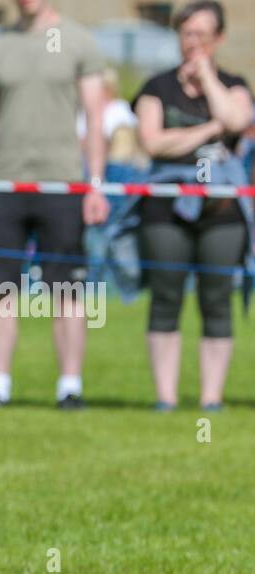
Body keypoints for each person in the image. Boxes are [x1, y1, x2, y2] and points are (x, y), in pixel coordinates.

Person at [0, 0, 110, 410]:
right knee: (0, 290)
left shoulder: (80, 42)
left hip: (64, 185)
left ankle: (70, 387)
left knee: (68, 289)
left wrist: (95, 185)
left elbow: (96, 120)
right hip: (6, 184)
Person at [131, 1, 252, 412]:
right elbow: (152, 143)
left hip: (222, 213)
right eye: (186, 33)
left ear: (218, 39)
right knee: (165, 297)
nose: (193, 42)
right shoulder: (156, 87)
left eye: (202, 34)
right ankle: (165, 398)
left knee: (217, 299)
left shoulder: (234, 83)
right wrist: (211, 130)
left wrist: (207, 80)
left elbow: (236, 120)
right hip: (165, 209)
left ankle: (210, 399)